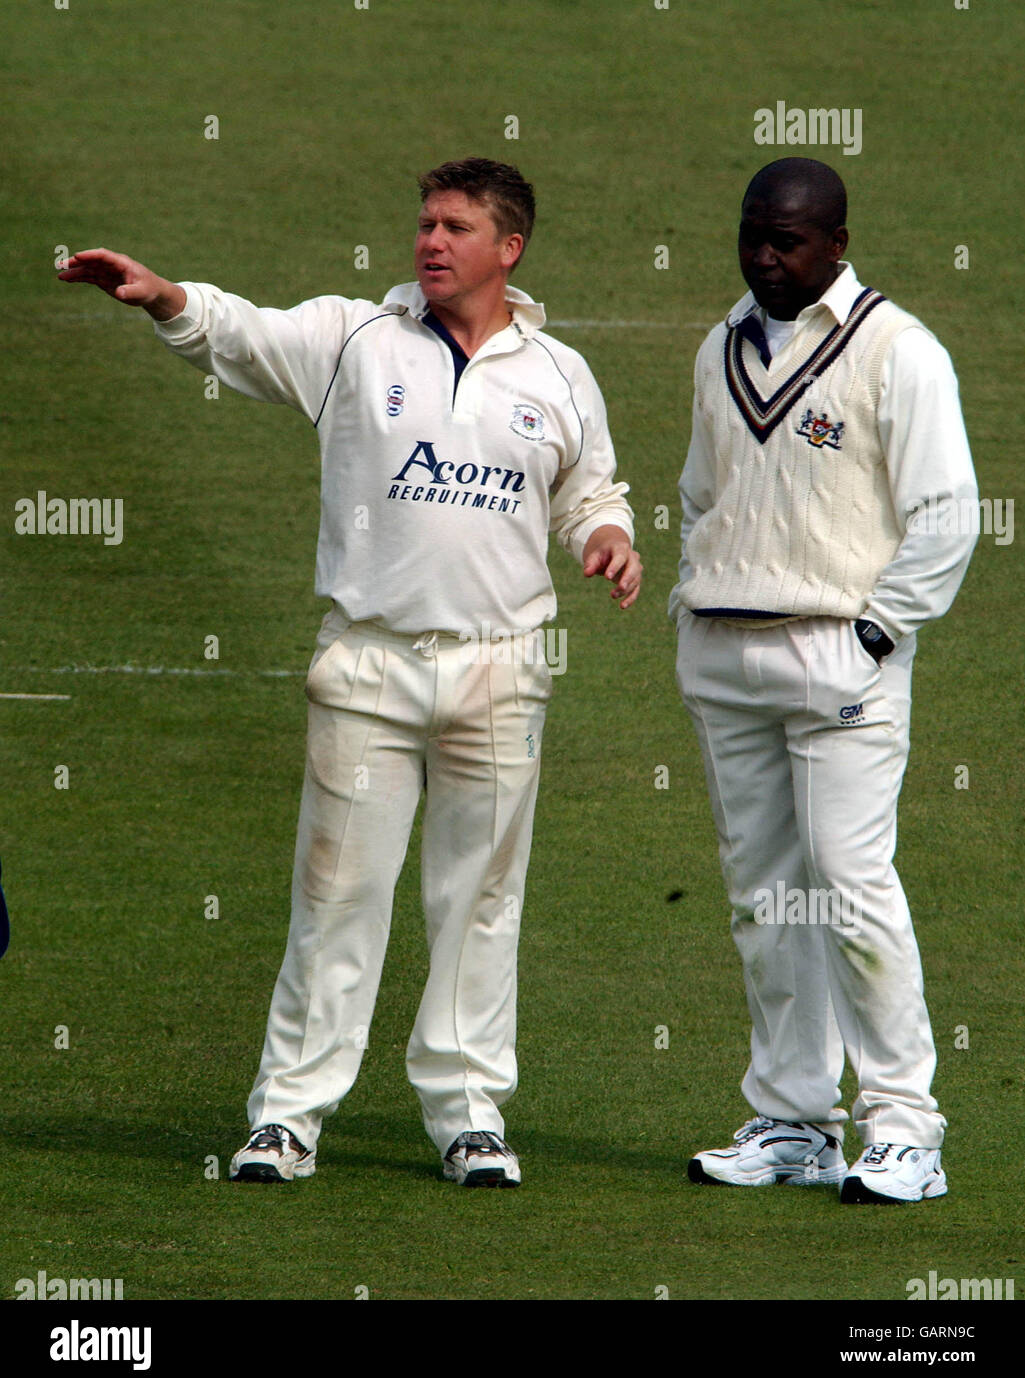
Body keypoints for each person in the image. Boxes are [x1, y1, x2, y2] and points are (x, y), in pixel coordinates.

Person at [60, 157, 641, 1188]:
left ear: (508, 249)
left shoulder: (557, 375)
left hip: (500, 672)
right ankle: (287, 1118)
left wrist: (605, 535)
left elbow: (588, 488)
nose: (429, 241)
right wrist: (165, 300)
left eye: (455, 227)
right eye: (423, 223)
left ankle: (468, 1116)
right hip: (367, 666)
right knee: (335, 895)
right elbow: (240, 331)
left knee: (481, 900)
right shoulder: (353, 338)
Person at [669, 157, 977, 1204]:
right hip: (725, 655)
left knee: (848, 891)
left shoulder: (897, 350)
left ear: (836, 244)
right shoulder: (718, 345)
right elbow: (698, 493)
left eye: (787, 240)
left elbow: (945, 516)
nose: (764, 255)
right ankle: (794, 1119)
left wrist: (875, 637)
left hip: (839, 660)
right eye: (752, 233)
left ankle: (904, 1128)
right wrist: (692, 605)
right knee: (764, 900)